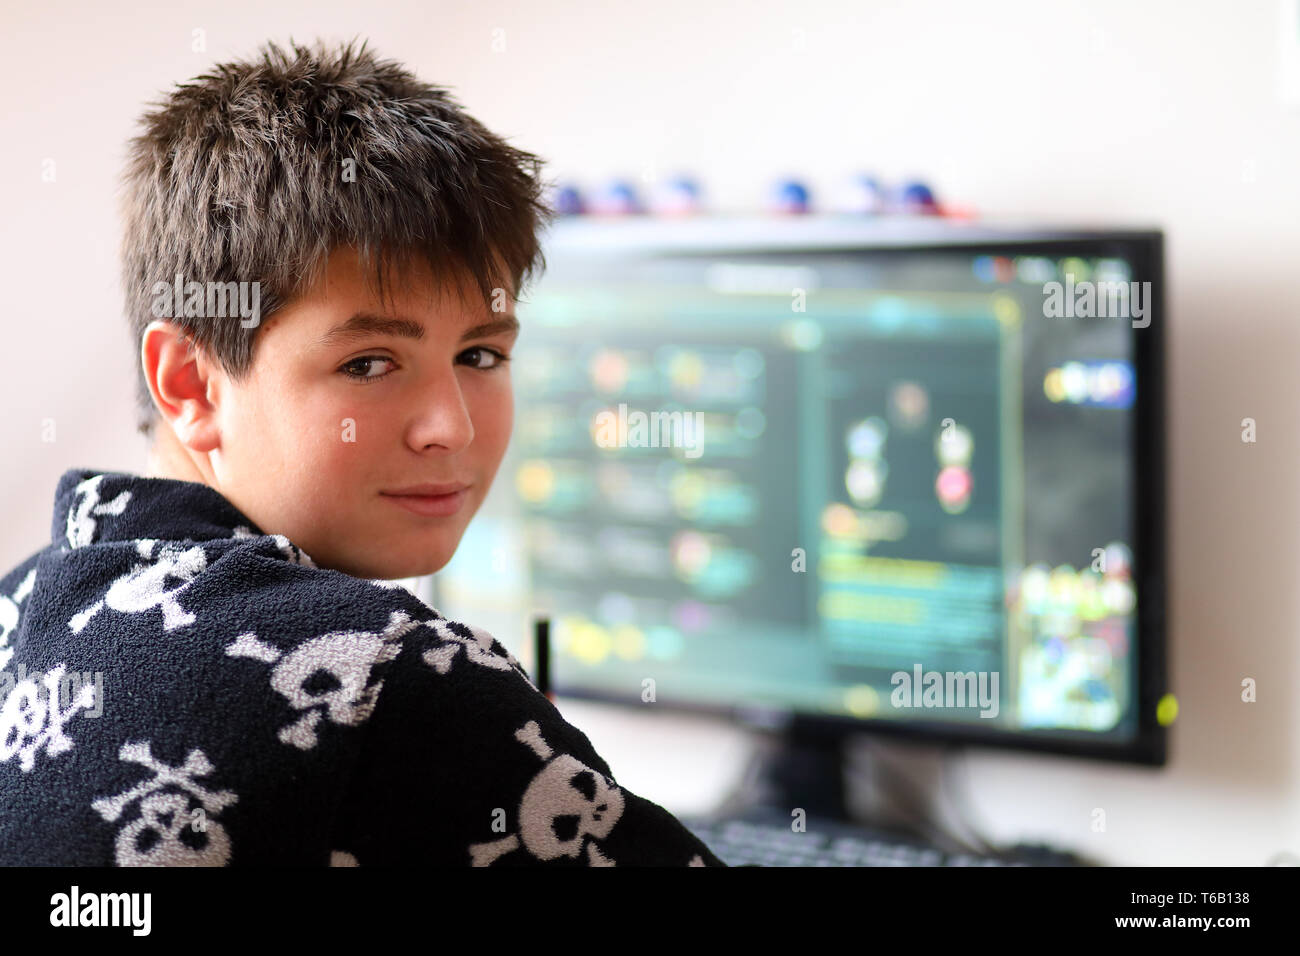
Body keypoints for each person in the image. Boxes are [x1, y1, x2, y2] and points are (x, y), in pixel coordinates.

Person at [0, 38, 724, 867]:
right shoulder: (395, 675)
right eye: (368, 363)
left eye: (480, 355)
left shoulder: (23, 604)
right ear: (192, 385)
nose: (447, 427)